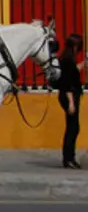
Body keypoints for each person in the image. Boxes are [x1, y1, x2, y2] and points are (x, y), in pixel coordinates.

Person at [55, 33, 84, 169]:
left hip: (70, 96)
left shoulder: (67, 60)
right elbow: (67, 84)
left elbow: (73, 72)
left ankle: (69, 158)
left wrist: (83, 64)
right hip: (69, 96)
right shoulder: (67, 61)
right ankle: (68, 159)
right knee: (72, 128)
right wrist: (71, 103)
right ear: (75, 46)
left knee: (73, 127)